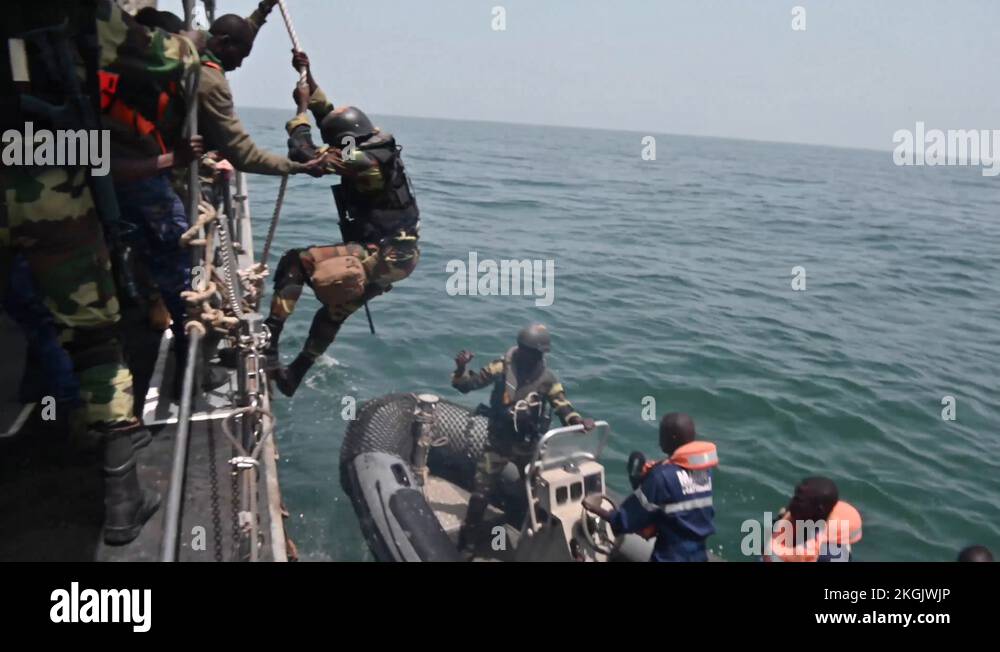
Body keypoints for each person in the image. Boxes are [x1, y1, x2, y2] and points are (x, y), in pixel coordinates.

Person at [1, 0, 201, 545]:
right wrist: (194, 44)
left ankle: (54, 411)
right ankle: (121, 499)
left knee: (29, 311)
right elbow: (162, 57)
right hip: (46, 166)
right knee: (92, 331)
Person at [264, 50, 421, 397]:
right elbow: (332, 121)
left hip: (382, 253)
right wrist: (310, 80)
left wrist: (300, 112)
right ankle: (294, 374)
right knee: (334, 311)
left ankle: (268, 342)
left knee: (296, 261)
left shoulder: (360, 160)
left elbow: (303, 153)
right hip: (402, 257)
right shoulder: (373, 142)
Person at [451, 324, 594, 553]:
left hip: (529, 446)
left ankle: (538, 539)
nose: (535, 356)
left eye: (539, 353)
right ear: (521, 349)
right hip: (498, 442)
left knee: (539, 491)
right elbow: (467, 386)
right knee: (479, 494)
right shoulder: (500, 367)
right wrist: (460, 369)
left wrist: (577, 421)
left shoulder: (547, 379)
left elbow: (561, 405)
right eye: (531, 351)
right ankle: (467, 543)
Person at [194, 4, 324, 178]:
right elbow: (244, 155)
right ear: (223, 42)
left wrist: (264, 8)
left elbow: (240, 33)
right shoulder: (213, 83)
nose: (239, 64)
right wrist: (298, 167)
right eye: (240, 56)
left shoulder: (193, 46)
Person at [584, 412, 718, 562]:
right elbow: (678, 499)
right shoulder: (705, 473)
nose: (659, 440)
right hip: (698, 555)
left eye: (662, 434)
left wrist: (597, 509)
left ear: (672, 438)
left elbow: (627, 520)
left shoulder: (661, 477)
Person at [764, 476, 863, 562]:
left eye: (799, 501)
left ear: (819, 509)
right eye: (795, 497)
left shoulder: (832, 556)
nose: (791, 503)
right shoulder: (801, 514)